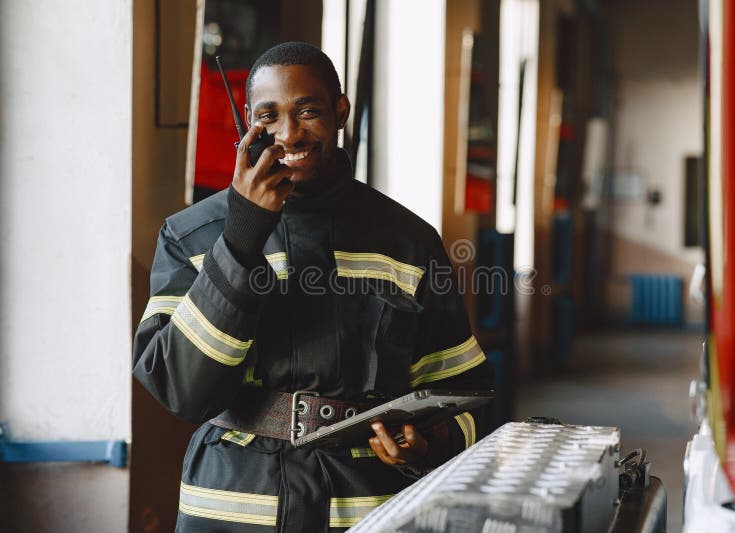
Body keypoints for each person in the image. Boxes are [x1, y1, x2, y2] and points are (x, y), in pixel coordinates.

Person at [133, 41, 492, 532]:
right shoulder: (191, 236)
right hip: (233, 506)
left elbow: (460, 389)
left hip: (369, 507)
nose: (289, 133)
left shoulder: (408, 240)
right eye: (269, 116)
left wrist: (433, 441)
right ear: (248, 121)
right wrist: (240, 238)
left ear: (340, 111)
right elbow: (181, 391)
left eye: (308, 111)